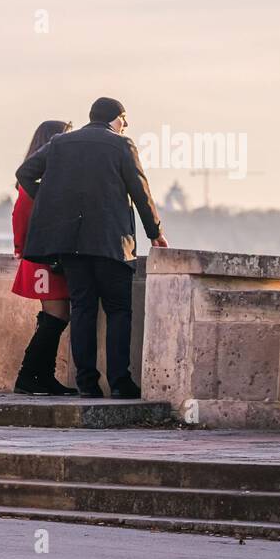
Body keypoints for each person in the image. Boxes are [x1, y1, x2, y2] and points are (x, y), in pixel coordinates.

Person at [16, 97, 167, 399]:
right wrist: (155, 232)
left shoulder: (60, 143)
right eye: (125, 120)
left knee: (83, 309)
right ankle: (120, 383)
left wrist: (50, 201)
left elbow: (24, 173)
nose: (125, 126)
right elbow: (140, 190)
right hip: (112, 243)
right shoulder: (122, 145)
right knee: (119, 311)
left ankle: (87, 383)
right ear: (117, 118)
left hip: (71, 245)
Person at [10, 120, 77, 396]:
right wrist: (21, 248)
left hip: (42, 258)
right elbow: (21, 217)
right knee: (56, 317)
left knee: (55, 317)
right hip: (42, 260)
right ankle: (28, 376)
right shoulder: (35, 184)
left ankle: (41, 376)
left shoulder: (42, 180)